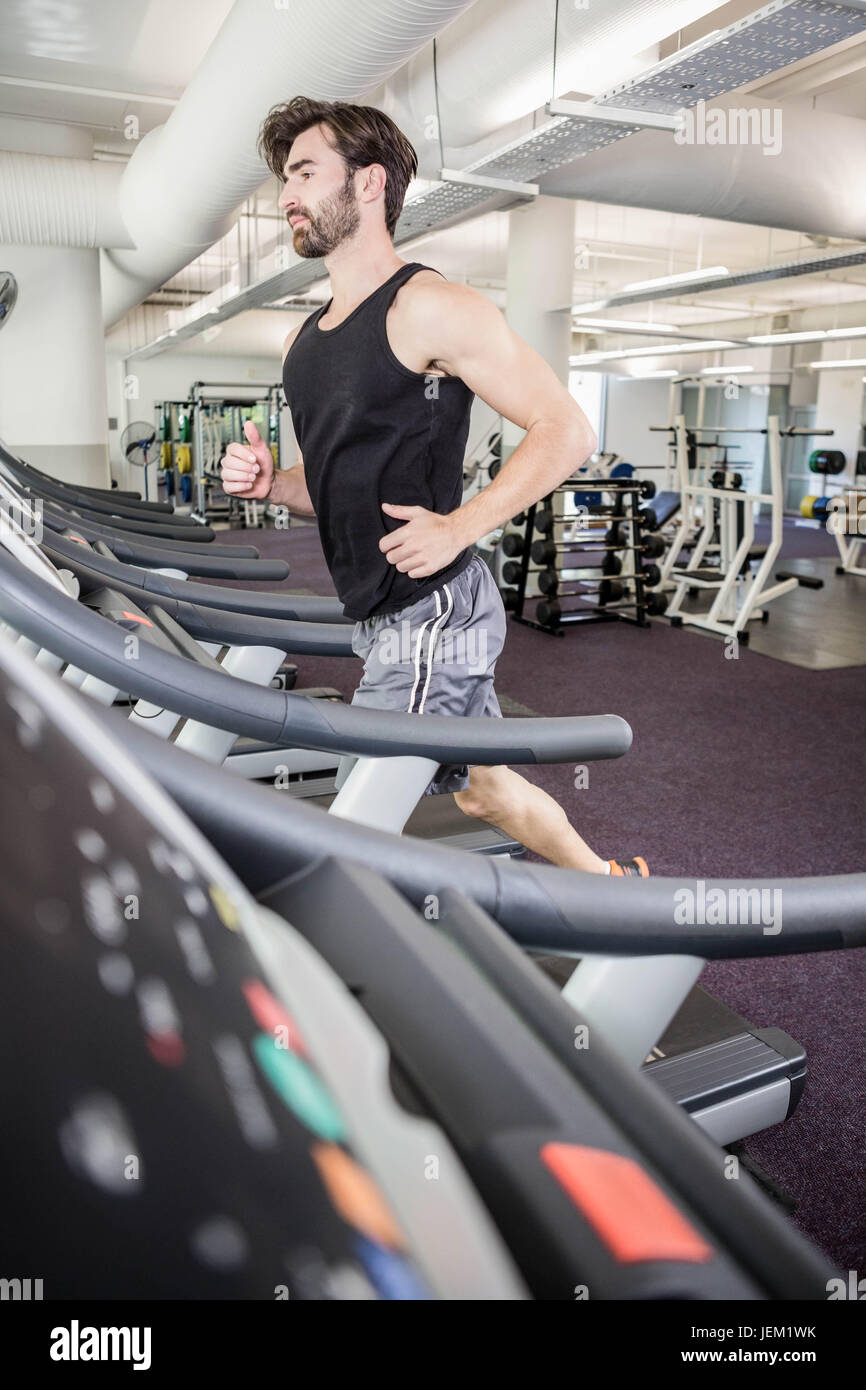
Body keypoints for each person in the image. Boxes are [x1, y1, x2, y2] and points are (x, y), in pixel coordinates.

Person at [221, 97, 647, 878]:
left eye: (306, 173)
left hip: (434, 610)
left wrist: (461, 526)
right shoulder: (303, 343)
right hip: (380, 612)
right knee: (486, 793)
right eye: (285, 178)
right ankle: (614, 888)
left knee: (363, 808)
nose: (288, 194)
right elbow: (336, 485)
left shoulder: (432, 307)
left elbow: (567, 431)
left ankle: (335, 970)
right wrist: (273, 485)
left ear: (369, 183)